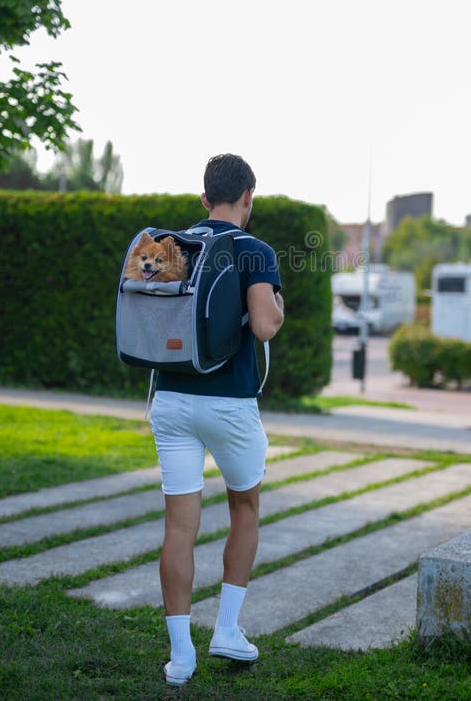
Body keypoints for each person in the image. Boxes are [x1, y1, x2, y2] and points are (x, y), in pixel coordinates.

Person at [149, 153, 285, 687]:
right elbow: (265, 326)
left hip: (172, 399)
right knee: (244, 506)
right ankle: (227, 629)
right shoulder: (255, 250)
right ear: (248, 197)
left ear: (204, 199)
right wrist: (274, 300)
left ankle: (180, 657)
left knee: (179, 525)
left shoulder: (172, 246)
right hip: (229, 402)